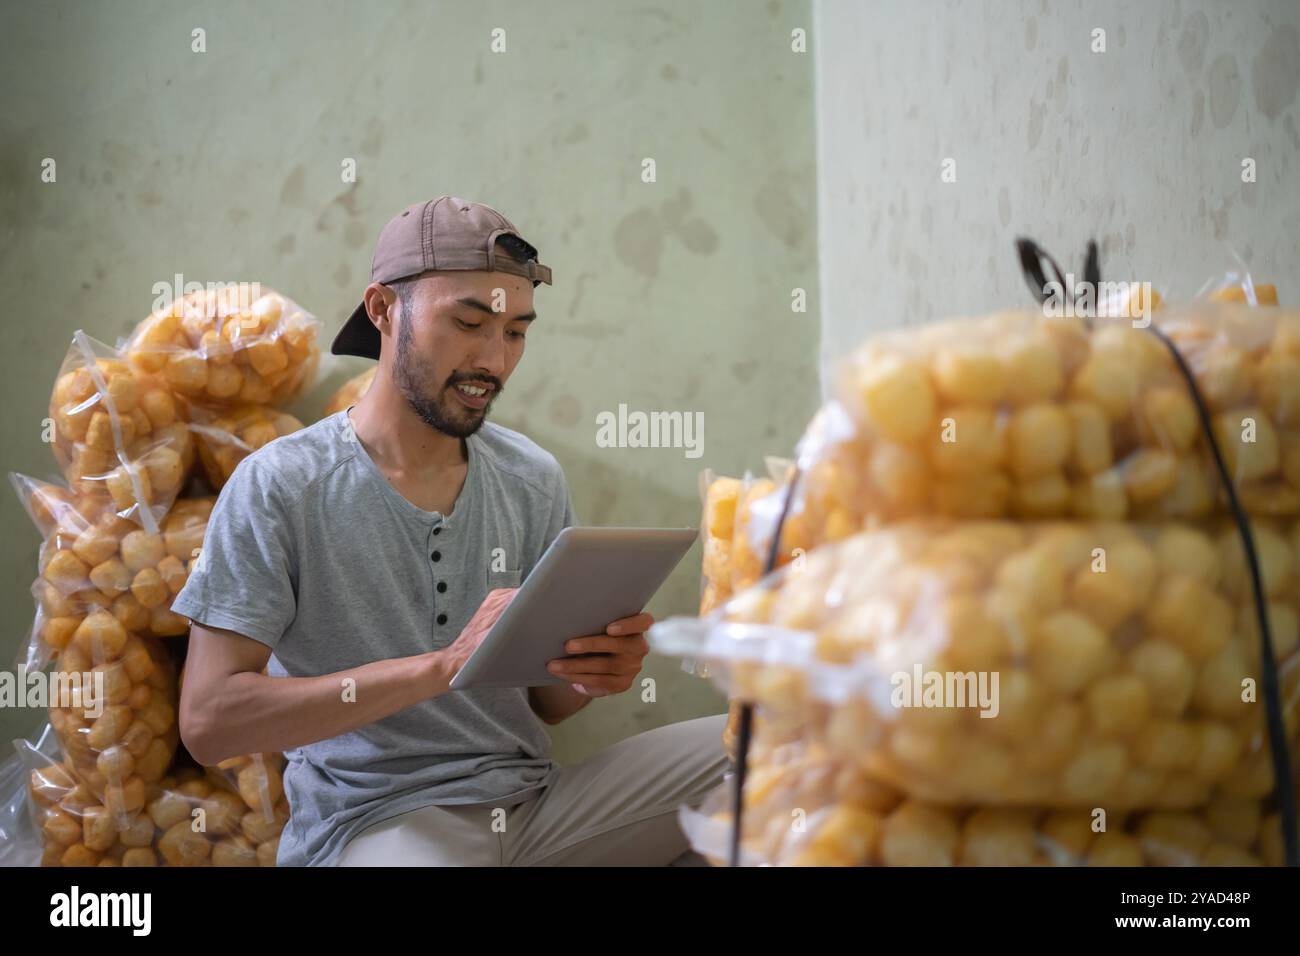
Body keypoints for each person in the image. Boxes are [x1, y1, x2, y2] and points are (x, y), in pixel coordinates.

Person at [173, 196, 730, 866]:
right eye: (470, 322)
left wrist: (591, 673)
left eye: (517, 332)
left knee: (776, 747)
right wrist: (436, 670)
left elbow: (547, 704)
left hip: (535, 810)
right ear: (383, 311)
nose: (494, 361)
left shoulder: (532, 477)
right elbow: (209, 722)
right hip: (376, 824)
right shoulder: (280, 485)